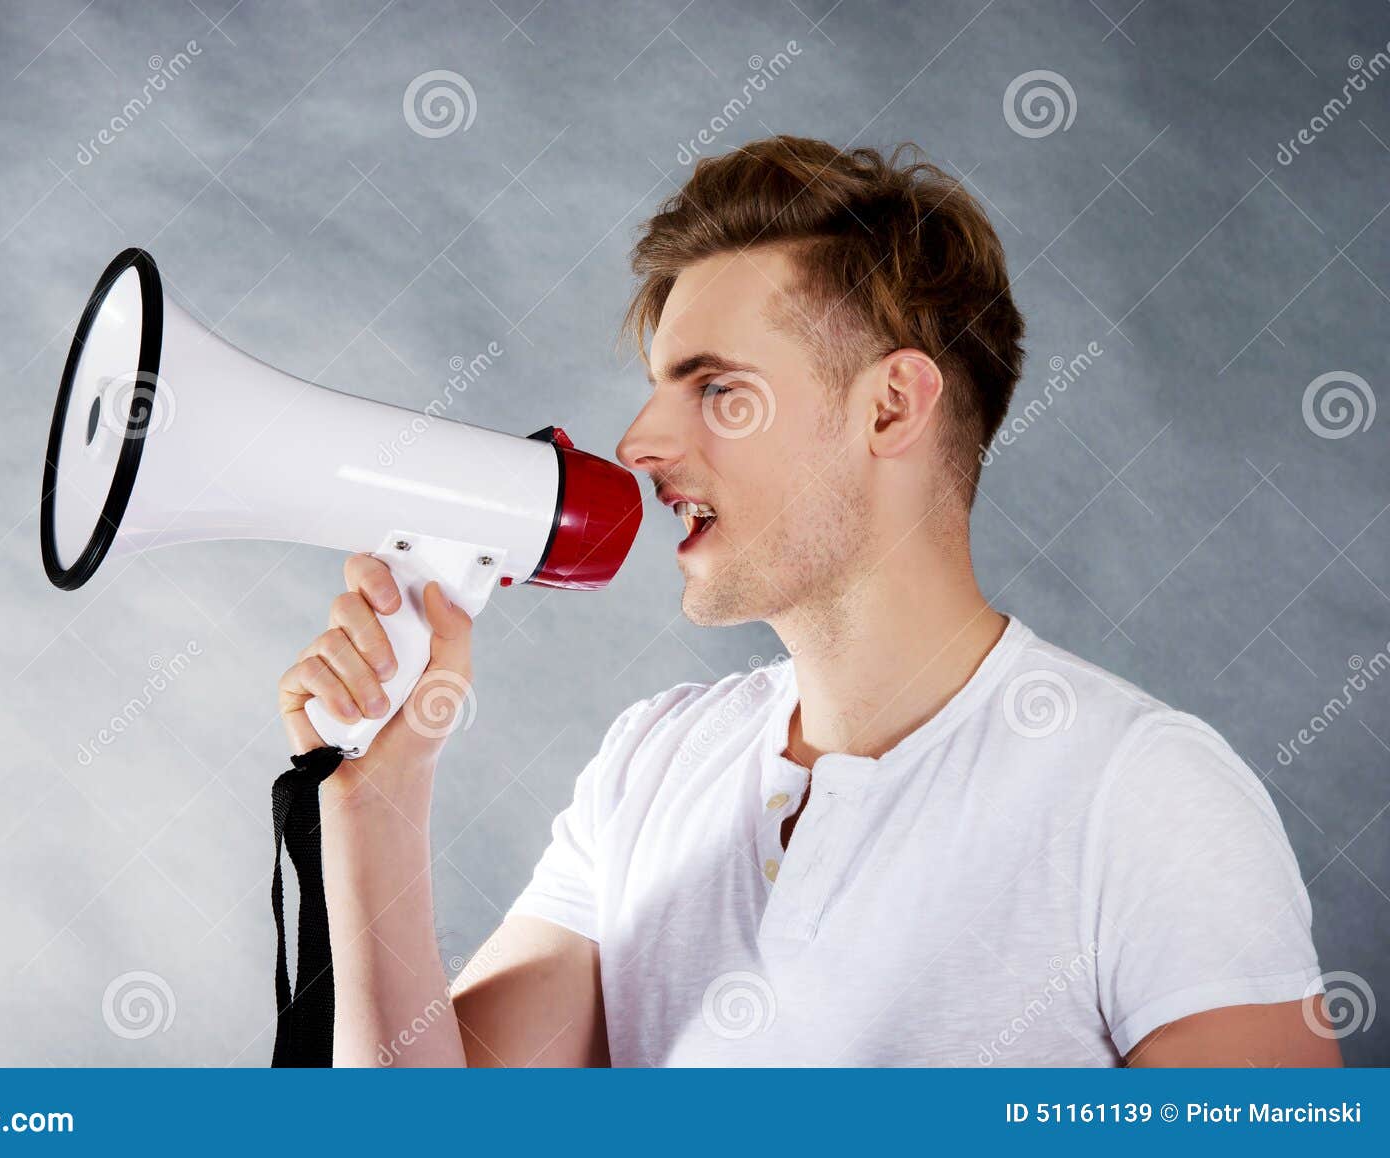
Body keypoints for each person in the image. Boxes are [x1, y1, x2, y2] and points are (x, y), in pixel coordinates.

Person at [277, 136, 1337, 1067]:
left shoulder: (1143, 794)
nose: (639, 444)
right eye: (656, 387)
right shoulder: (649, 768)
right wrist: (374, 801)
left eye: (716, 388)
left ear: (890, 407)